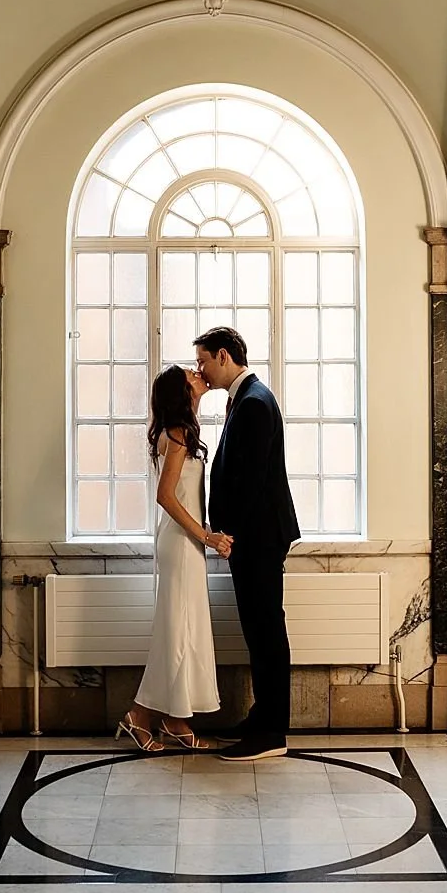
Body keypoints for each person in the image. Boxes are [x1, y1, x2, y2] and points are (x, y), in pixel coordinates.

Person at [196, 325, 300, 762]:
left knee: (266, 632)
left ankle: (273, 732)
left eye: (203, 361)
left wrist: (228, 535)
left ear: (223, 356)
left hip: (257, 538)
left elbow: (253, 483)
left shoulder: (255, 402)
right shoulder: (247, 397)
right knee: (259, 631)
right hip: (253, 537)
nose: (201, 369)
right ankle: (262, 718)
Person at [116, 366, 232, 753]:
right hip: (182, 544)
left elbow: (187, 496)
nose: (200, 374)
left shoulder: (184, 430)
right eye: (191, 374)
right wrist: (207, 536)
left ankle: (175, 719)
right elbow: (166, 497)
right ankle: (139, 715)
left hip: (185, 543)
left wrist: (207, 533)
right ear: (183, 391)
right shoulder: (179, 435)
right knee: (177, 634)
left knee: (185, 631)